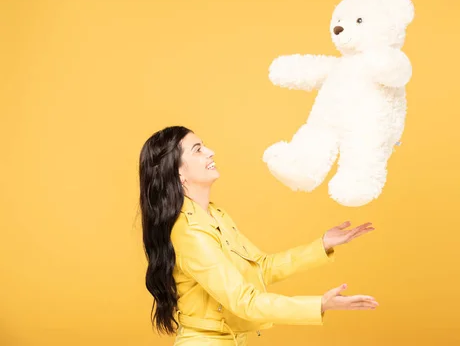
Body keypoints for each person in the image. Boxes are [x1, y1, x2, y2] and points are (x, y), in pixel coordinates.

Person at [139, 126, 378, 345]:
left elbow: (260, 267)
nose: (210, 152)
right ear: (178, 172)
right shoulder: (190, 232)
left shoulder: (216, 215)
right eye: (198, 149)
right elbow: (245, 301)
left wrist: (321, 245)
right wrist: (319, 304)